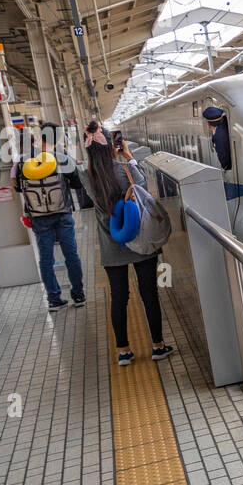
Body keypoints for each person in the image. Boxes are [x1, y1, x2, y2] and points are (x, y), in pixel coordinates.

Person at [83, 139, 174, 366]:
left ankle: (123, 351)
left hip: (112, 244)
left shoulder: (86, 176)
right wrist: (128, 155)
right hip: (140, 240)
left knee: (119, 298)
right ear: (112, 148)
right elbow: (142, 182)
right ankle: (158, 347)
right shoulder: (126, 169)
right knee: (149, 294)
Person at [15, 150, 86, 312]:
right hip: (62, 213)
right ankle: (78, 295)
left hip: (39, 217)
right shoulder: (59, 157)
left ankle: (54, 299)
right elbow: (77, 182)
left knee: (46, 260)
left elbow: (18, 188)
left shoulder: (22, 163)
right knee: (71, 255)